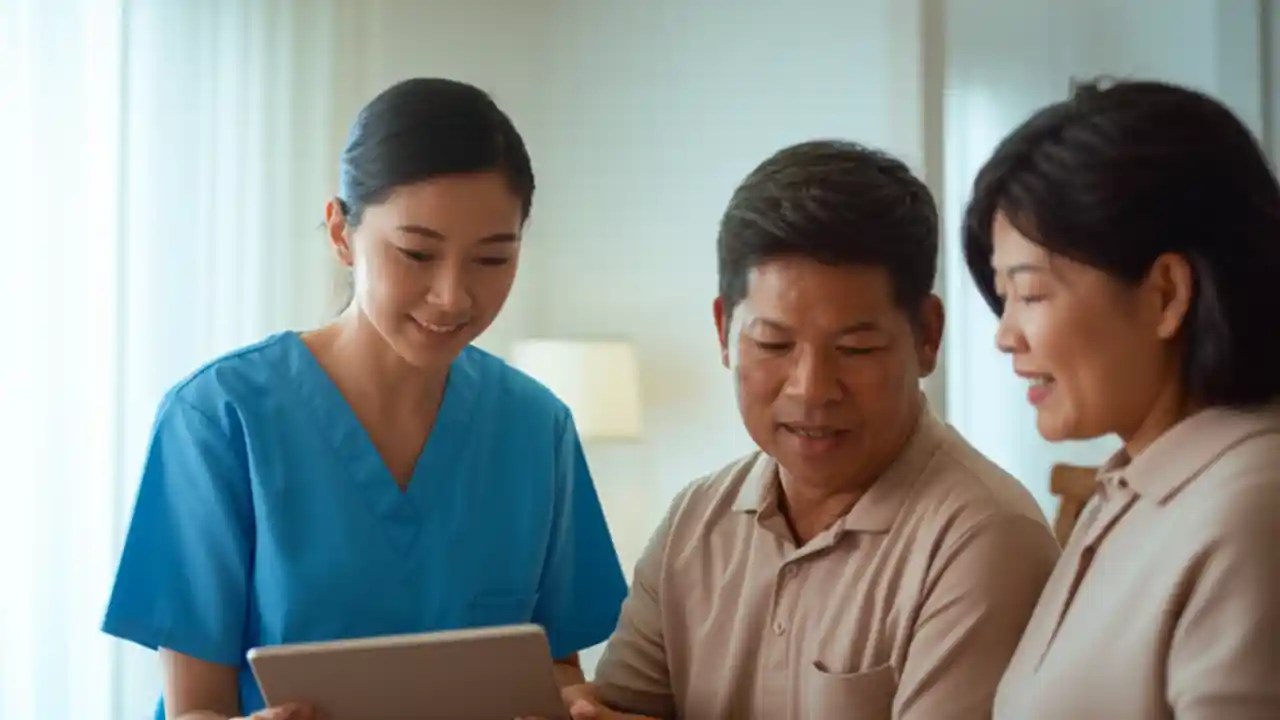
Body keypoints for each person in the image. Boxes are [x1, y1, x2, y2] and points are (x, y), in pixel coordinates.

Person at [102, 78, 628, 720]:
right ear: (340, 233)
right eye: (416, 253)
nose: (453, 296)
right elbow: (195, 707)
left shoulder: (535, 426)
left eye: (492, 259)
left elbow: (553, 665)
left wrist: (577, 705)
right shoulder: (219, 418)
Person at [558, 140, 1060, 720]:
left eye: (856, 348)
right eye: (773, 344)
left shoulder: (986, 540)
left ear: (927, 336)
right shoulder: (694, 523)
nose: (812, 388)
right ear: (724, 331)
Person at [963, 79, 1280, 719]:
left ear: (1165, 293)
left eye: (1030, 294)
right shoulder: (1131, 490)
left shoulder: (1252, 510)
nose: (1004, 336)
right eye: (1003, 296)